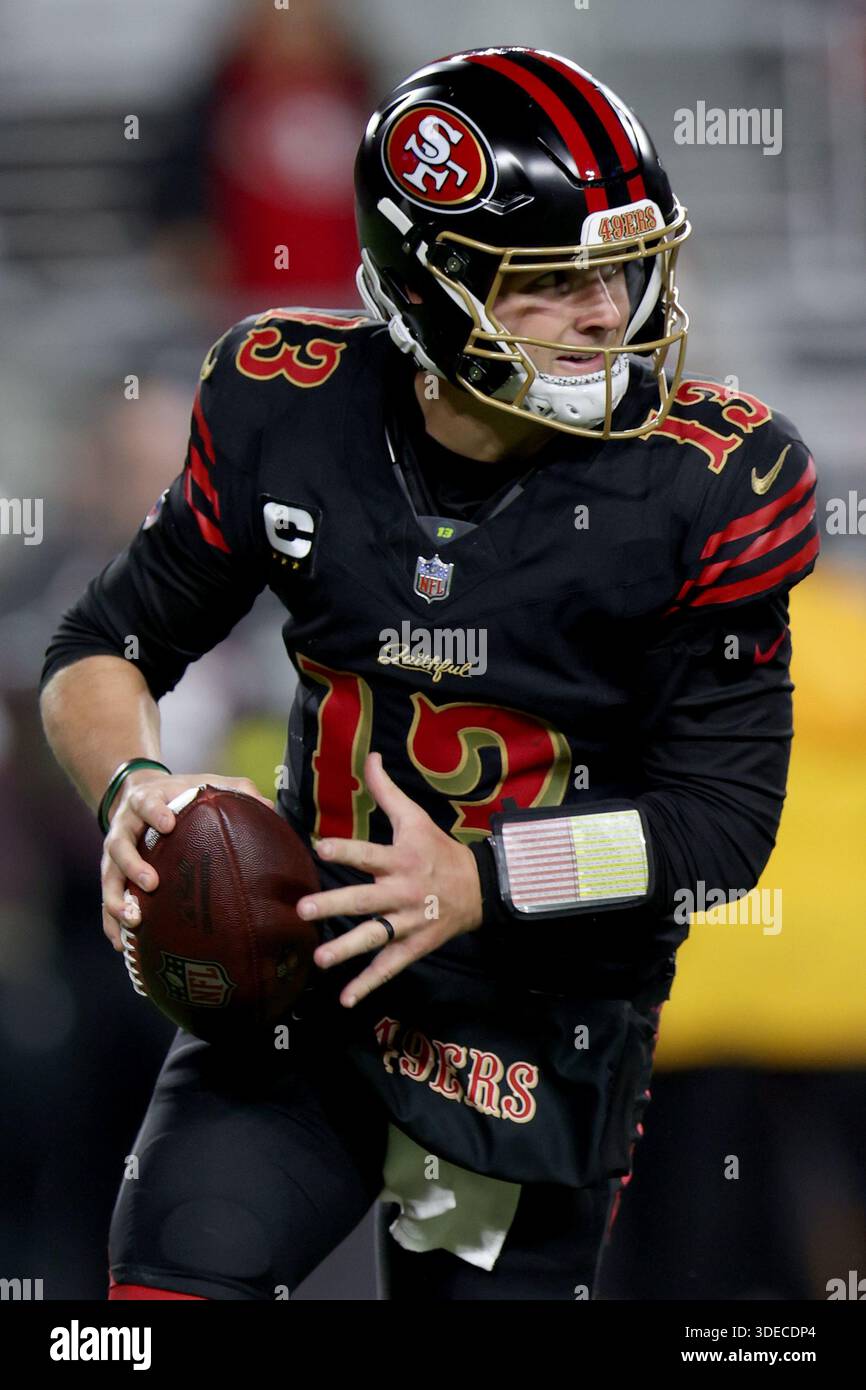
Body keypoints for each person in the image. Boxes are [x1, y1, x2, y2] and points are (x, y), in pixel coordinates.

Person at [38, 46, 819, 1301]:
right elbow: (102, 648)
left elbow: (723, 828)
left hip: (531, 1027)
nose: (607, 312)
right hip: (305, 980)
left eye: (621, 269)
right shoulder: (285, 405)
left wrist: (481, 879)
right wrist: (133, 785)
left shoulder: (704, 486)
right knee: (160, 1300)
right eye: (552, 282)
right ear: (432, 278)